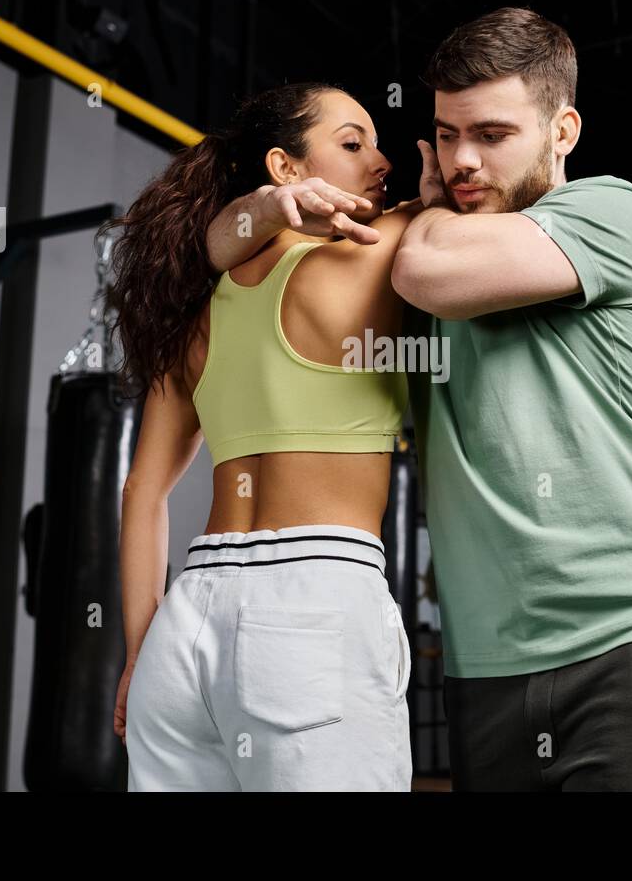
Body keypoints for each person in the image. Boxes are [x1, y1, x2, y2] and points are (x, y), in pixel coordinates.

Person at [394, 6, 632, 790]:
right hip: (484, 666)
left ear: (563, 130)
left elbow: (426, 275)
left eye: (491, 134)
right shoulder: (435, 240)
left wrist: (426, 214)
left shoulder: (611, 211)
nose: (461, 161)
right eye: (446, 135)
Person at [108, 82, 419, 791]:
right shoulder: (369, 254)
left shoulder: (189, 316)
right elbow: (477, 195)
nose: (382, 159)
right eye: (353, 143)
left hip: (184, 630)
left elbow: (142, 490)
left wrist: (138, 656)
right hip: (313, 607)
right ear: (285, 170)